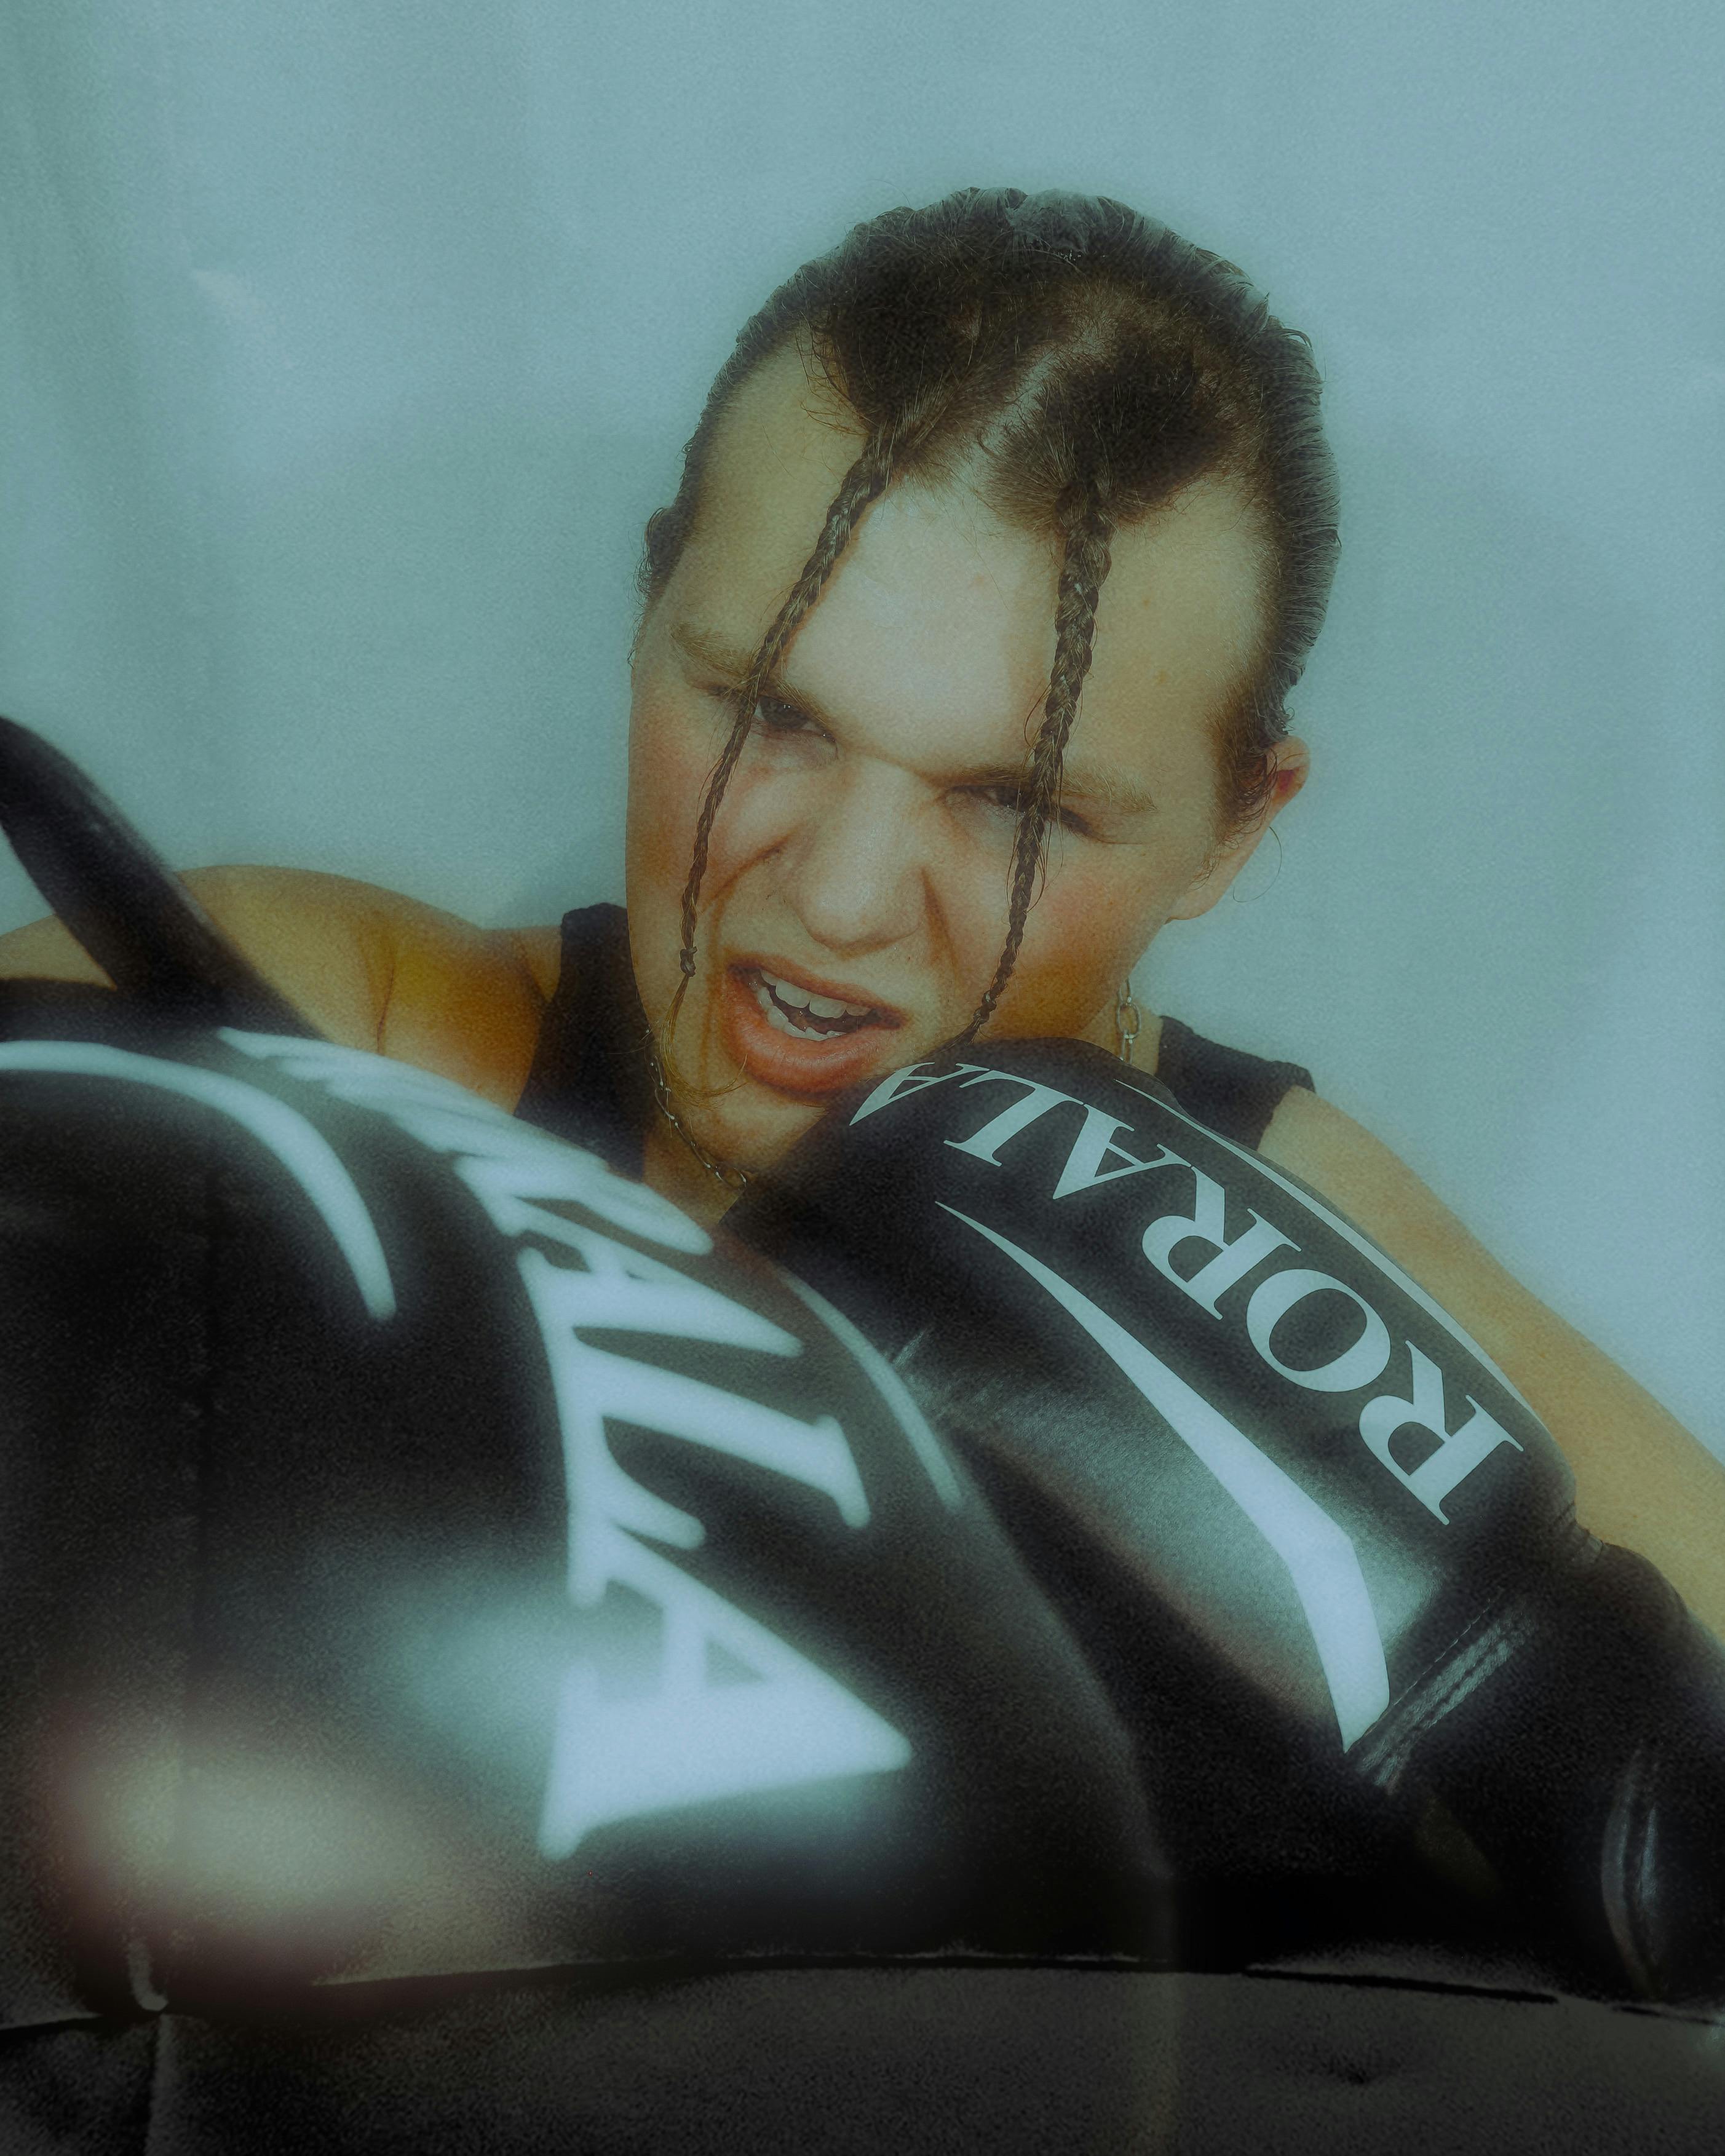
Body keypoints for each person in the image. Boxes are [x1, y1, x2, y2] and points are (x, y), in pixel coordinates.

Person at [3, 186, 1723, 1639]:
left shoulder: (1320, 1287)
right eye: (771, 713)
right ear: (648, 611)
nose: (831, 895)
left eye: (1017, 803)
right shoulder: (318, 1025)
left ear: (1228, 834)